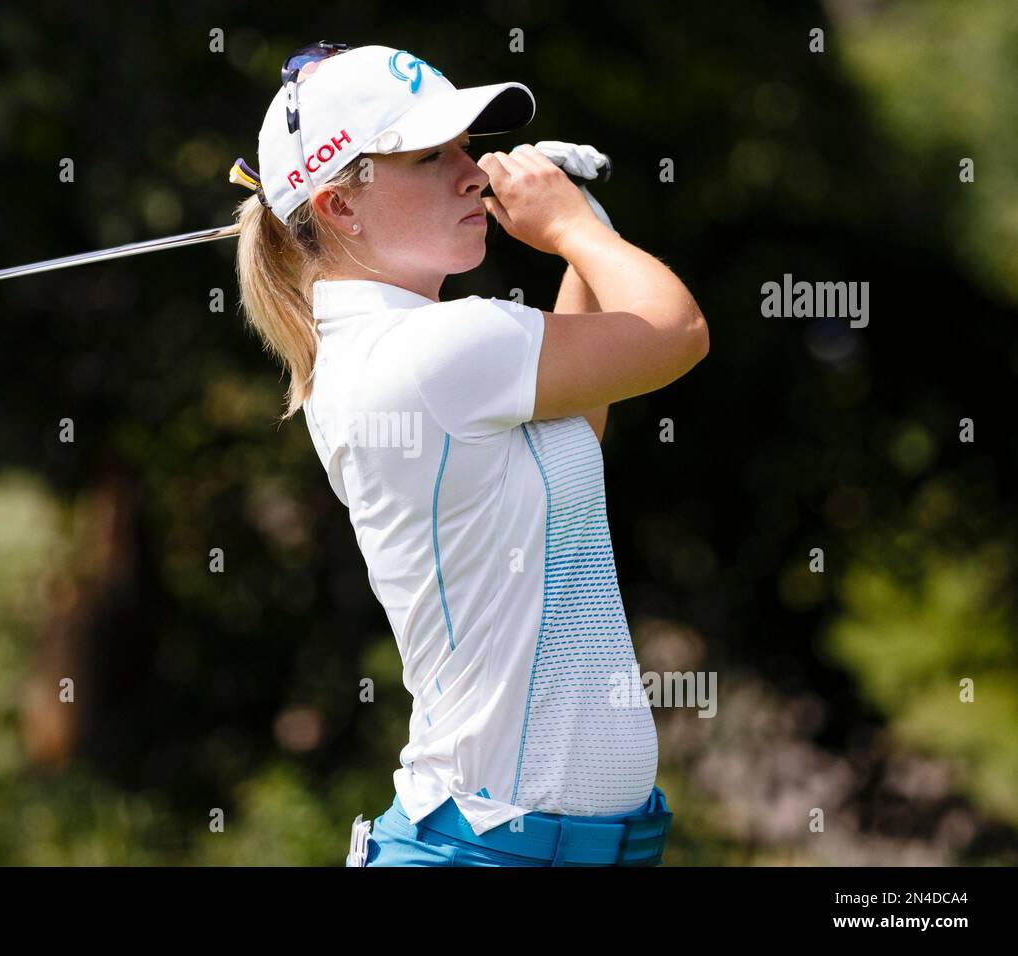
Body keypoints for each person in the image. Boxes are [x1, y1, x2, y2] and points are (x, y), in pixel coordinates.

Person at [230, 42, 708, 866]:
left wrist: (583, 237)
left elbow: (575, 430)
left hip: (550, 847)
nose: (474, 174)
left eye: (464, 148)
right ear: (342, 207)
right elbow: (677, 334)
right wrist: (566, 227)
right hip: (492, 851)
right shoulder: (439, 350)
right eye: (430, 156)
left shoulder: (420, 351)